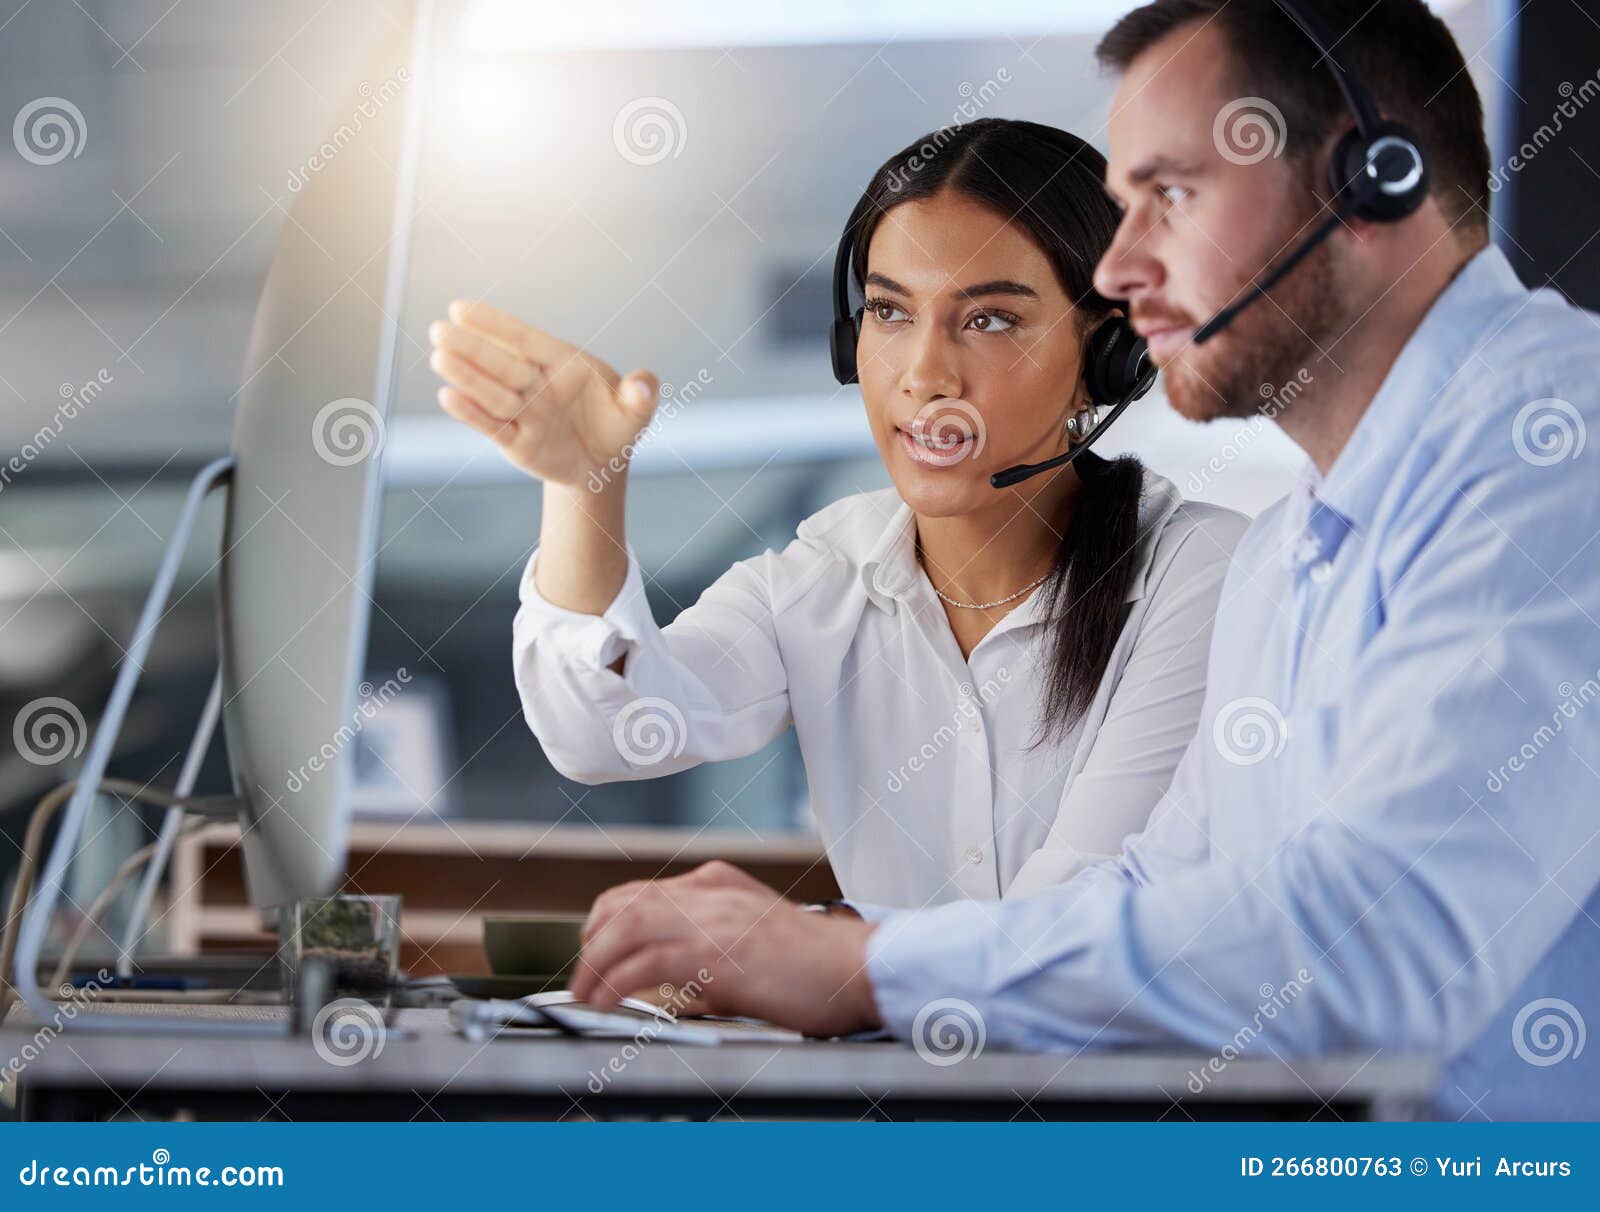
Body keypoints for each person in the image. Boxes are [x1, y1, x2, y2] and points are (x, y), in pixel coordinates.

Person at [568, 0, 1600, 1120]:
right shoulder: (1293, 549)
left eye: (1168, 195)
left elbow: (1389, 946)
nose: (1117, 269)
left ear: (1370, 181)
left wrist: (864, 969)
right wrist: (833, 955)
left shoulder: (1556, 446)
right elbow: (1159, 891)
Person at [429, 119, 1245, 909]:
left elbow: (1082, 919)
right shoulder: (821, 579)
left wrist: (807, 956)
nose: (924, 374)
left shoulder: (1203, 580)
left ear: (1106, 361)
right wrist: (585, 484)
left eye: (989, 319)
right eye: (891, 311)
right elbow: (603, 732)